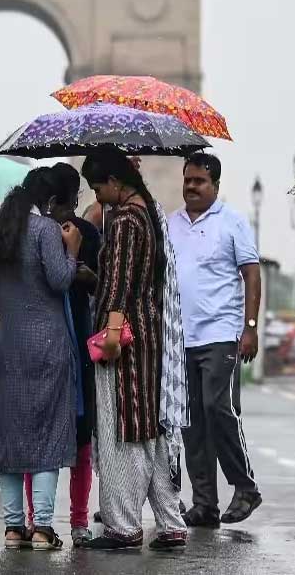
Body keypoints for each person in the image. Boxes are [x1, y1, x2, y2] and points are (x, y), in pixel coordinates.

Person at [81, 147, 188, 551]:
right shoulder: (149, 213)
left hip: (122, 340)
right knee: (150, 427)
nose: (98, 195)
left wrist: (110, 330)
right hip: (147, 334)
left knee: (122, 428)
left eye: (98, 187)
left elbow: (123, 279)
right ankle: (171, 522)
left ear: (114, 181)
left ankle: (123, 527)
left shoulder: (126, 219)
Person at [0, 167, 82, 551]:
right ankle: (43, 527)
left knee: (9, 432)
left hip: (9, 343)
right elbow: (60, 279)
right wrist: (72, 252)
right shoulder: (46, 231)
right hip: (49, 343)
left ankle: (12, 527)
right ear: (51, 202)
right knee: (49, 431)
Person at [168, 153, 262, 527]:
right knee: (190, 420)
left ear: (215, 186)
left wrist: (249, 326)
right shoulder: (172, 224)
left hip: (221, 333)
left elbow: (251, 274)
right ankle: (204, 502)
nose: (192, 187)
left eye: (200, 181)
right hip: (181, 337)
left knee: (217, 407)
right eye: (188, 180)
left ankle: (244, 486)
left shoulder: (232, 222)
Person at [21, 163, 100, 548]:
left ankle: (63, 519)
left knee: (75, 433)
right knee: (50, 433)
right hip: (56, 343)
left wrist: (84, 270)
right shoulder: (33, 235)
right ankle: (54, 521)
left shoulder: (85, 234)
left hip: (73, 340)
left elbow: (100, 280)